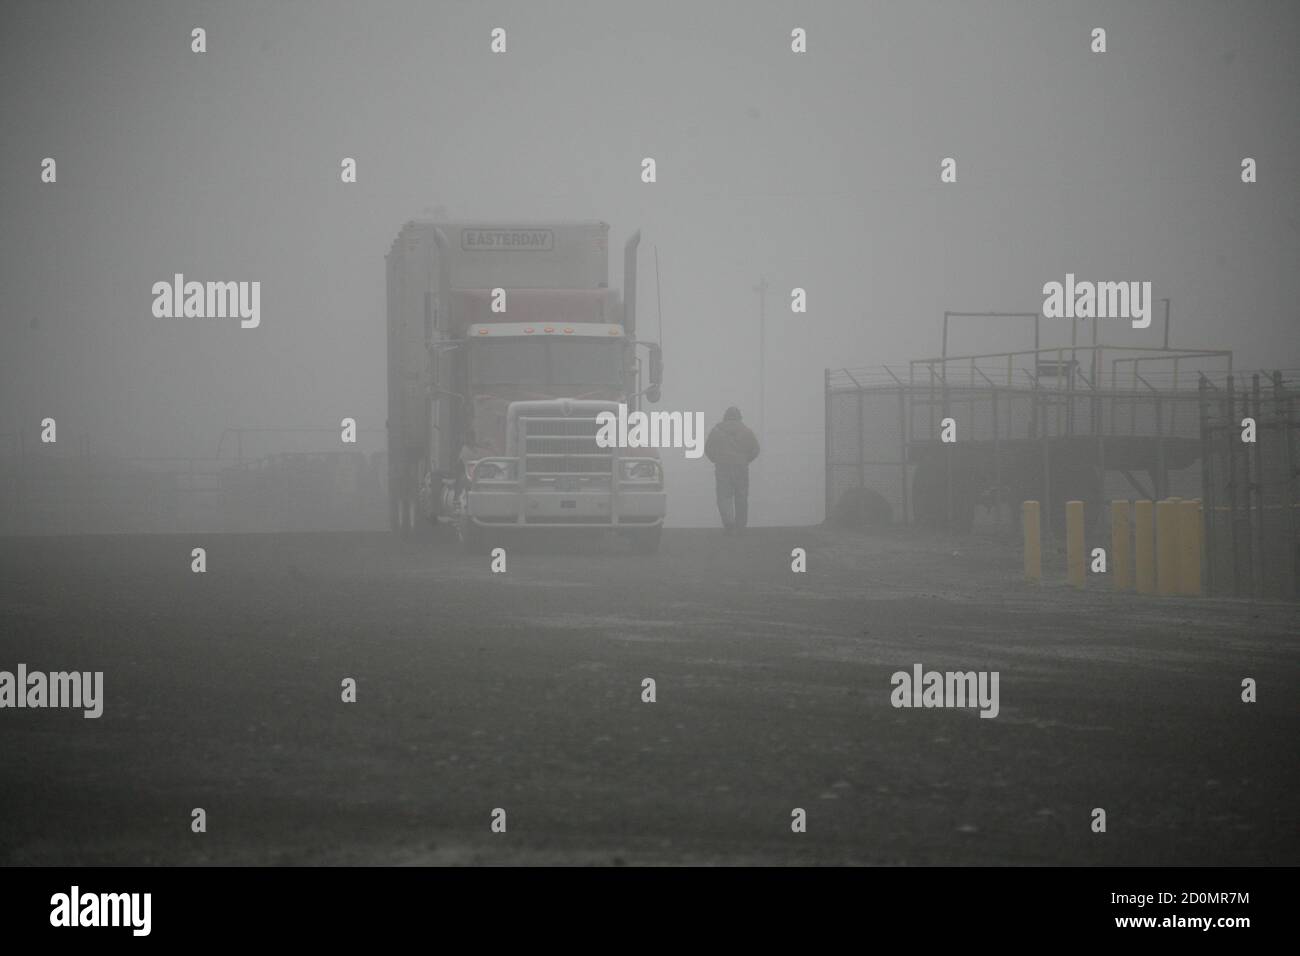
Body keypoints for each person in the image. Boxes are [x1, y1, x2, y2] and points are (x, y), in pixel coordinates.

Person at [704, 406, 760, 534]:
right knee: (741, 496)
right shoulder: (747, 431)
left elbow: (708, 449)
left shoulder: (716, 431)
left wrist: (716, 459)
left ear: (725, 417)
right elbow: (756, 449)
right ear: (739, 417)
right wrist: (746, 460)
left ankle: (729, 524)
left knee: (724, 496)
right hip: (741, 467)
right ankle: (740, 526)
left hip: (722, 467)